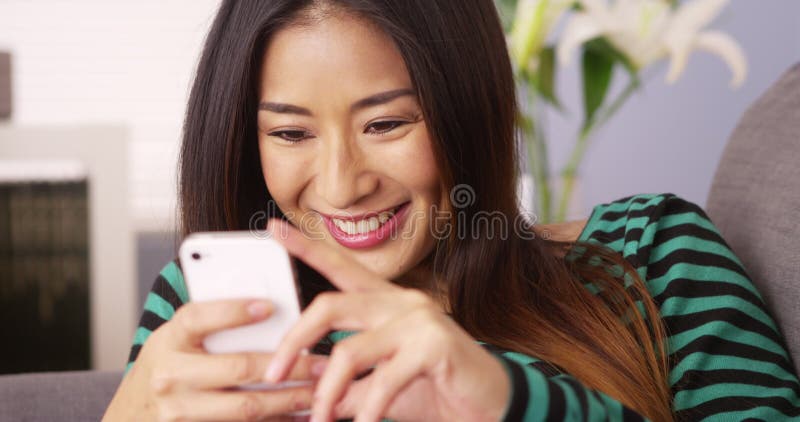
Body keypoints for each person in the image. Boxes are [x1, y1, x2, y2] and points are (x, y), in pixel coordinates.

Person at [104, 1, 800, 421]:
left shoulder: (654, 255)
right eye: (290, 133)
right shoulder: (211, 311)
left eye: (387, 124)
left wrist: (500, 398)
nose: (343, 188)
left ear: (467, 111)